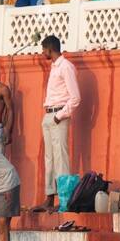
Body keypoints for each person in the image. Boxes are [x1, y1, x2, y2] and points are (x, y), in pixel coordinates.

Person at [38, 35, 80, 213]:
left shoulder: (66, 67)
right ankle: (49, 196)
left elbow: (76, 97)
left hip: (59, 115)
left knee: (61, 157)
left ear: (49, 49)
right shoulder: (55, 67)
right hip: (49, 114)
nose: (42, 53)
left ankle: (64, 200)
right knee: (49, 158)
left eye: (43, 50)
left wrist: (60, 116)